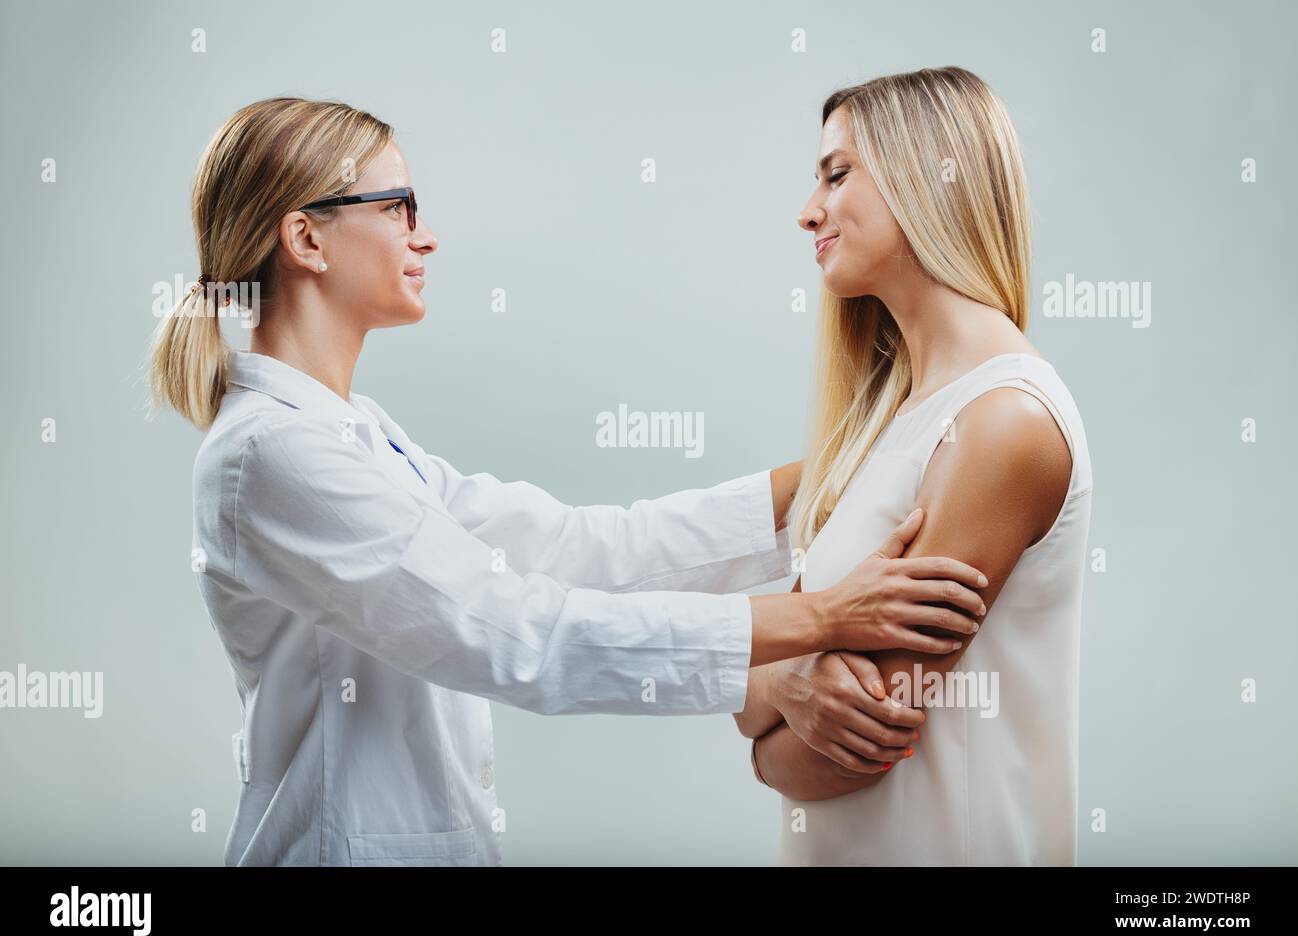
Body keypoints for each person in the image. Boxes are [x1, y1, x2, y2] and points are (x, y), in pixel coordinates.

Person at [147, 97, 988, 866]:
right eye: (398, 206)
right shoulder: (271, 456)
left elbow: (579, 548)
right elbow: (515, 632)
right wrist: (813, 622)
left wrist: (845, 467)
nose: (425, 235)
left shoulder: (356, 434)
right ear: (306, 239)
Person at [735, 67, 1094, 866]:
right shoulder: (884, 428)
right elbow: (770, 685)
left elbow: (841, 754)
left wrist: (763, 726)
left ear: (926, 176)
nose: (808, 211)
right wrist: (779, 692)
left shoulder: (1005, 422)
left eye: (837, 173)